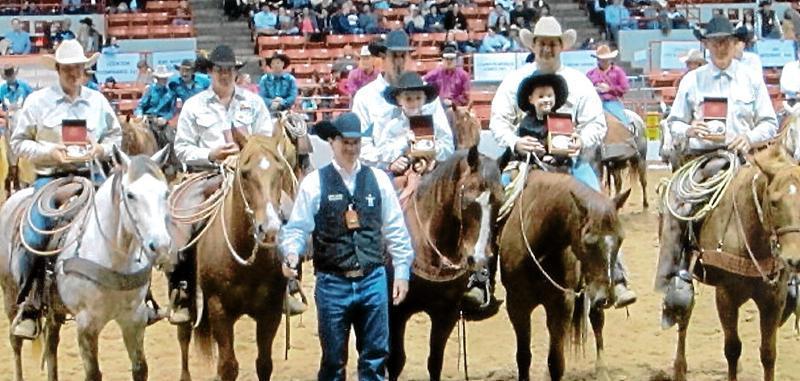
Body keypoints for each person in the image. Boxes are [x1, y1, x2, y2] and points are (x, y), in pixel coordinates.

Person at [489, 16, 637, 307]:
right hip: (524, 162)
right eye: (542, 43)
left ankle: (616, 275)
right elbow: (498, 122)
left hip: (572, 163)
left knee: (601, 208)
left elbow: (596, 124)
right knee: (492, 203)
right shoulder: (514, 81)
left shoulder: (580, 83)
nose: (547, 49)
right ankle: (482, 276)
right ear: (533, 45)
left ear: (561, 46)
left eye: (553, 44)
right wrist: (516, 142)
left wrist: (579, 140)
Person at [279, 112, 413, 380]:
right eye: (345, 142)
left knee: (376, 356)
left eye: (356, 142)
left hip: (372, 278)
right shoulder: (314, 183)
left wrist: (401, 271)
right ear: (332, 142)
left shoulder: (379, 180)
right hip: (332, 282)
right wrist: (291, 252)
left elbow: (396, 229)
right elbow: (297, 228)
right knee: (333, 360)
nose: (351, 148)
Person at [657, 14, 777, 309]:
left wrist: (747, 138)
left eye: (725, 41)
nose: (721, 47)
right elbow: (674, 122)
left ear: (735, 44)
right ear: (707, 45)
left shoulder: (751, 78)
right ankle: (676, 274)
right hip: (703, 160)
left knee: (781, 200)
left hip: (744, 159)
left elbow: (769, 123)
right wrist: (690, 129)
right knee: (678, 204)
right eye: (715, 42)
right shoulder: (692, 81)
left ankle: (788, 272)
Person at [9, 40, 123, 339]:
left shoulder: (98, 101)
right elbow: (18, 142)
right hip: (51, 179)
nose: (74, 73)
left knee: (128, 219)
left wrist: (100, 149)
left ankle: (141, 297)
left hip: (92, 176)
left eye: (79, 68)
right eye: (69, 68)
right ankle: (30, 302)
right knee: (34, 234)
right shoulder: (37, 102)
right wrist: (50, 152)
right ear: (57, 69)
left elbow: (115, 136)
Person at [170, 45, 275, 323]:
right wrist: (210, 154)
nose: (225, 74)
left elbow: (266, 139)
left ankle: (288, 281)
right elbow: (182, 148)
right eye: (219, 70)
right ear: (210, 71)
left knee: (282, 211)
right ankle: (182, 287)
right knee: (183, 222)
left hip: (249, 175)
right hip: (207, 174)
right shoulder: (194, 106)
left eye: (230, 70)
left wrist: (248, 155)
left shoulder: (254, 103)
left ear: (236, 72)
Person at [351, 30, 454, 170]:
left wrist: (430, 155)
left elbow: (447, 144)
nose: (399, 62)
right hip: (381, 173)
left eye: (403, 56)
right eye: (394, 56)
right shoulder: (365, 97)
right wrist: (388, 164)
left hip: (425, 171)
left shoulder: (425, 93)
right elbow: (361, 147)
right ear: (383, 56)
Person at [374, 71, 448, 172]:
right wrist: (403, 143)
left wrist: (432, 152)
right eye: (408, 99)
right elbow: (381, 154)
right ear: (399, 100)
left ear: (424, 99)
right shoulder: (392, 127)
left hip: (431, 174)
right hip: (400, 174)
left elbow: (448, 147)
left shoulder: (435, 124)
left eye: (418, 98)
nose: (414, 103)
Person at [586, 44, 630, 126]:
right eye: (602, 60)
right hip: (594, 104)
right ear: (598, 60)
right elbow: (585, 90)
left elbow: (625, 87)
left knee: (623, 123)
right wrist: (594, 89)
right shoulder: (590, 74)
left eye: (607, 59)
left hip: (612, 102)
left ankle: (627, 128)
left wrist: (609, 89)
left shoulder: (618, 72)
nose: (605, 62)